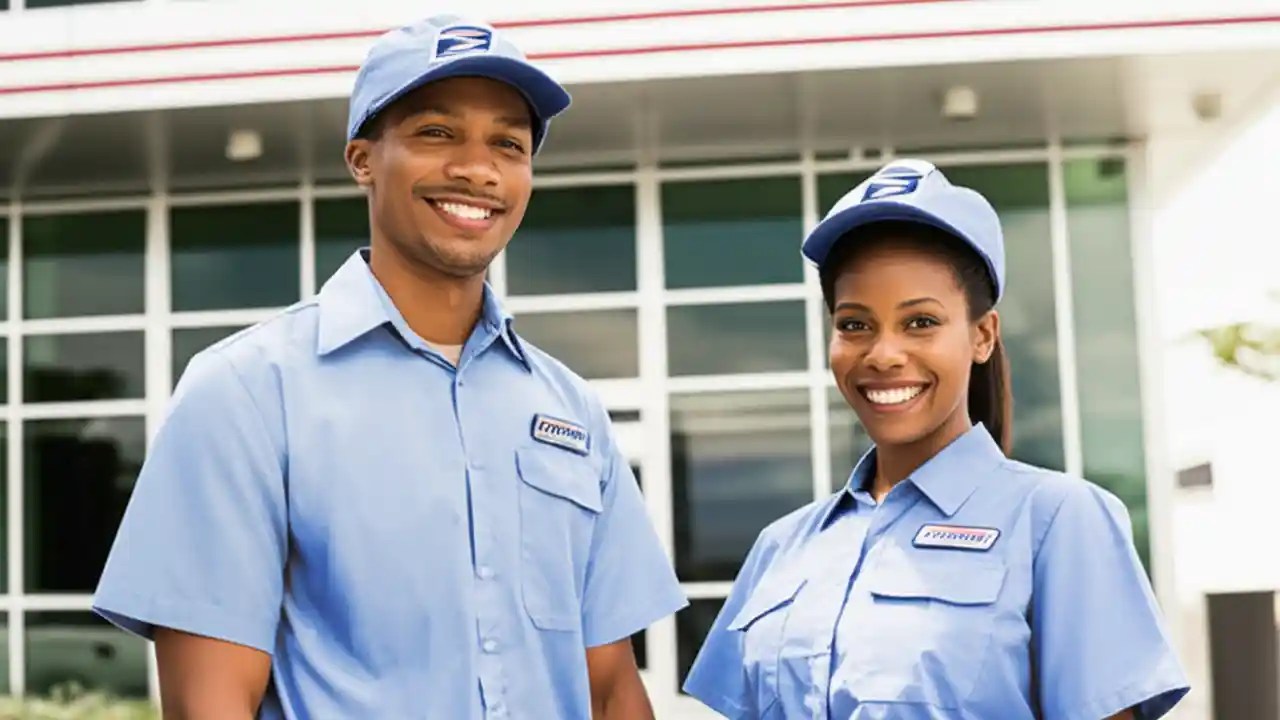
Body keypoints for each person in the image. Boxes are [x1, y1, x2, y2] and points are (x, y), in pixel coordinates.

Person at [92, 14, 686, 720]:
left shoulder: (570, 410)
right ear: (363, 158)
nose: (477, 168)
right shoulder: (248, 392)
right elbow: (209, 705)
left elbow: (612, 688)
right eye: (437, 134)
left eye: (508, 143)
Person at [683, 159, 1189, 719]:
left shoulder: (1057, 521)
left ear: (982, 335)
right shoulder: (783, 546)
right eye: (854, 324)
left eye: (920, 322)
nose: (883, 354)